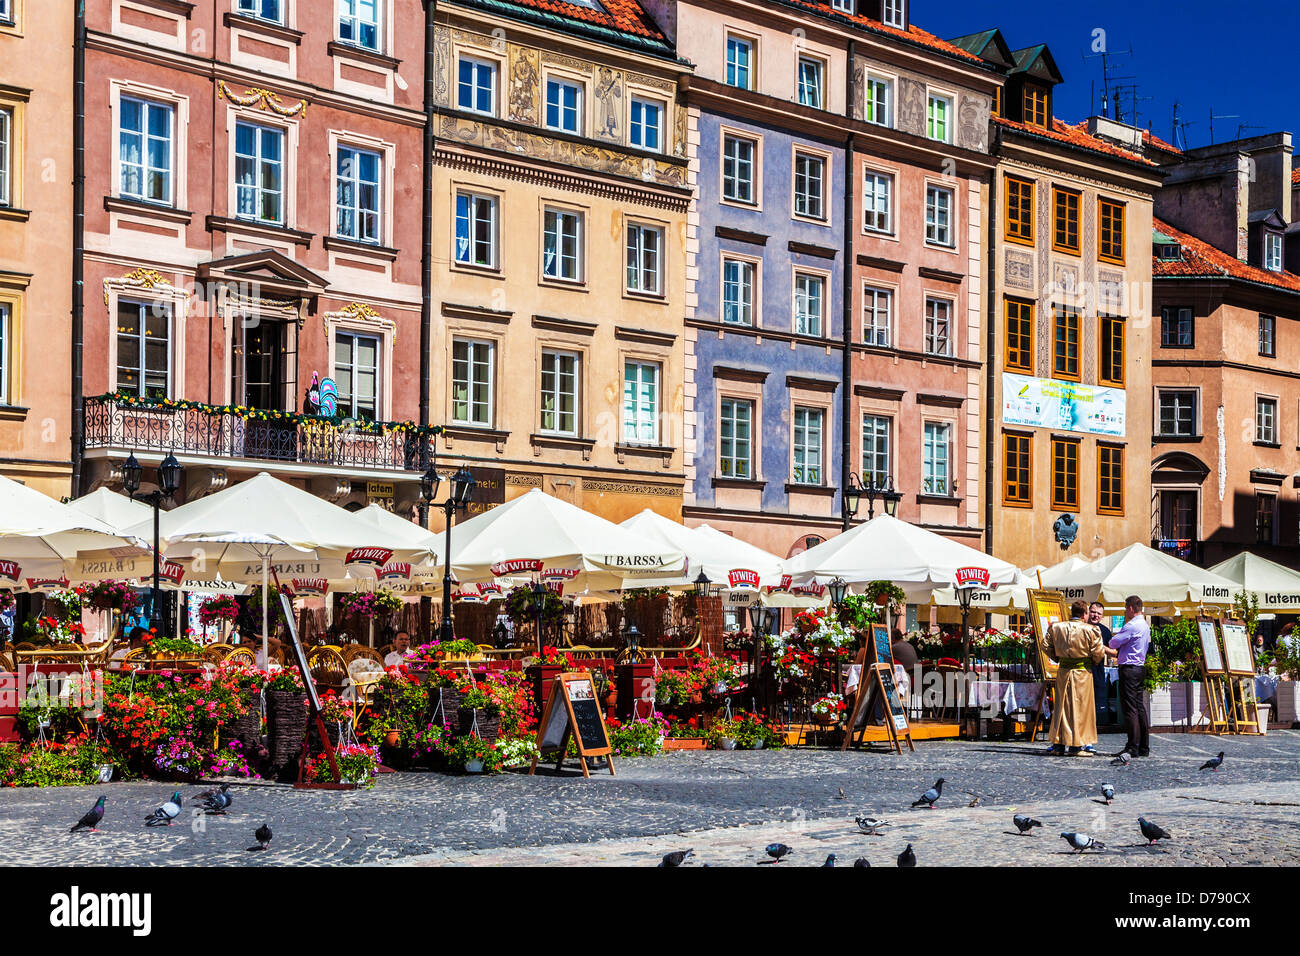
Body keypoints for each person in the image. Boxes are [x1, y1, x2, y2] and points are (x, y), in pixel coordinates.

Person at [1040, 599, 1106, 756]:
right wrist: (1092, 661)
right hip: (1082, 673)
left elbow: (1044, 645)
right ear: (1085, 614)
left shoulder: (1056, 627)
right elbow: (1099, 653)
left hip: (1063, 671)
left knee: (1061, 707)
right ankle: (1076, 746)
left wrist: (1058, 658)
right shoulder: (1091, 630)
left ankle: (1059, 745)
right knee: (1080, 709)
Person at [1105, 594, 1151, 758]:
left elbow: (1113, 643)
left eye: (1125, 608)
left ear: (1131, 608)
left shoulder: (1131, 625)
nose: (1125, 611)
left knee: (1130, 709)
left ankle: (1132, 746)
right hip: (1139, 668)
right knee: (1139, 708)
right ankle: (1144, 746)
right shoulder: (1145, 625)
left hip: (1129, 669)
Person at [1087, 601, 1114, 735]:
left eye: (1098, 613)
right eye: (1093, 612)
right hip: (1082, 670)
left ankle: (1093, 728)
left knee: (1097, 702)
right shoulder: (1081, 627)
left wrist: (1101, 647)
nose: (1095, 615)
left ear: (1102, 616)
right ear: (1088, 612)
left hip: (1097, 670)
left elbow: (1114, 651)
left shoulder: (1105, 631)